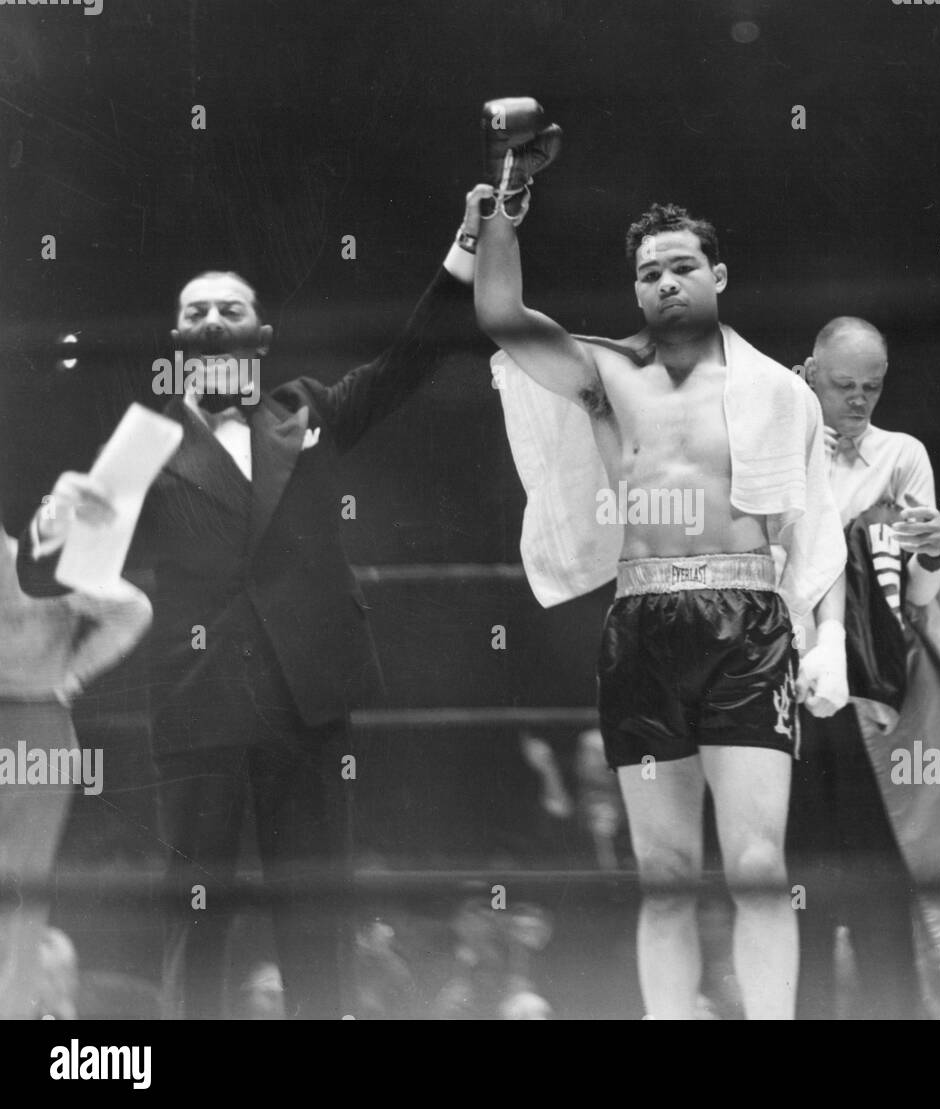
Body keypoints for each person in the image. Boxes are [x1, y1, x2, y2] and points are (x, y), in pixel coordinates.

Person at [17, 185, 496, 1019]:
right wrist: (52, 528)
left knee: (317, 912)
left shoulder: (302, 409)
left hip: (308, 699)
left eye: (227, 306)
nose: (209, 317)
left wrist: (468, 242)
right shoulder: (144, 443)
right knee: (196, 918)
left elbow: (410, 357)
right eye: (194, 309)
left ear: (259, 333)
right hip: (198, 706)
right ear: (176, 336)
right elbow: (58, 580)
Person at [475, 98, 847, 1019]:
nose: (666, 282)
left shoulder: (774, 390)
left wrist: (825, 631)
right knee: (668, 875)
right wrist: (508, 203)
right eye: (649, 272)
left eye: (683, 265)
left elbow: (813, 522)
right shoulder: (603, 373)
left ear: (717, 273)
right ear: (634, 288)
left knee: (759, 866)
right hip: (642, 625)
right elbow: (497, 312)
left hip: (747, 623)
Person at [789, 317, 940, 1018]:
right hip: (790, 696)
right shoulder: (773, 444)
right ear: (807, 372)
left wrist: (935, 550)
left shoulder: (902, 454)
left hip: (881, 707)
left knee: (886, 898)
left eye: (872, 387)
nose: (858, 401)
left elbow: (919, 599)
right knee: (796, 902)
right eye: (842, 385)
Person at [0, 528, 152, 1019]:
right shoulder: (53, 547)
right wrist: (72, 673)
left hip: (34, 723)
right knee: (24, 900)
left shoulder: (49, 548)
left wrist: (72, 673)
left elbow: (133, 610)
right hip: (42, 725)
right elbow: (133, 610)